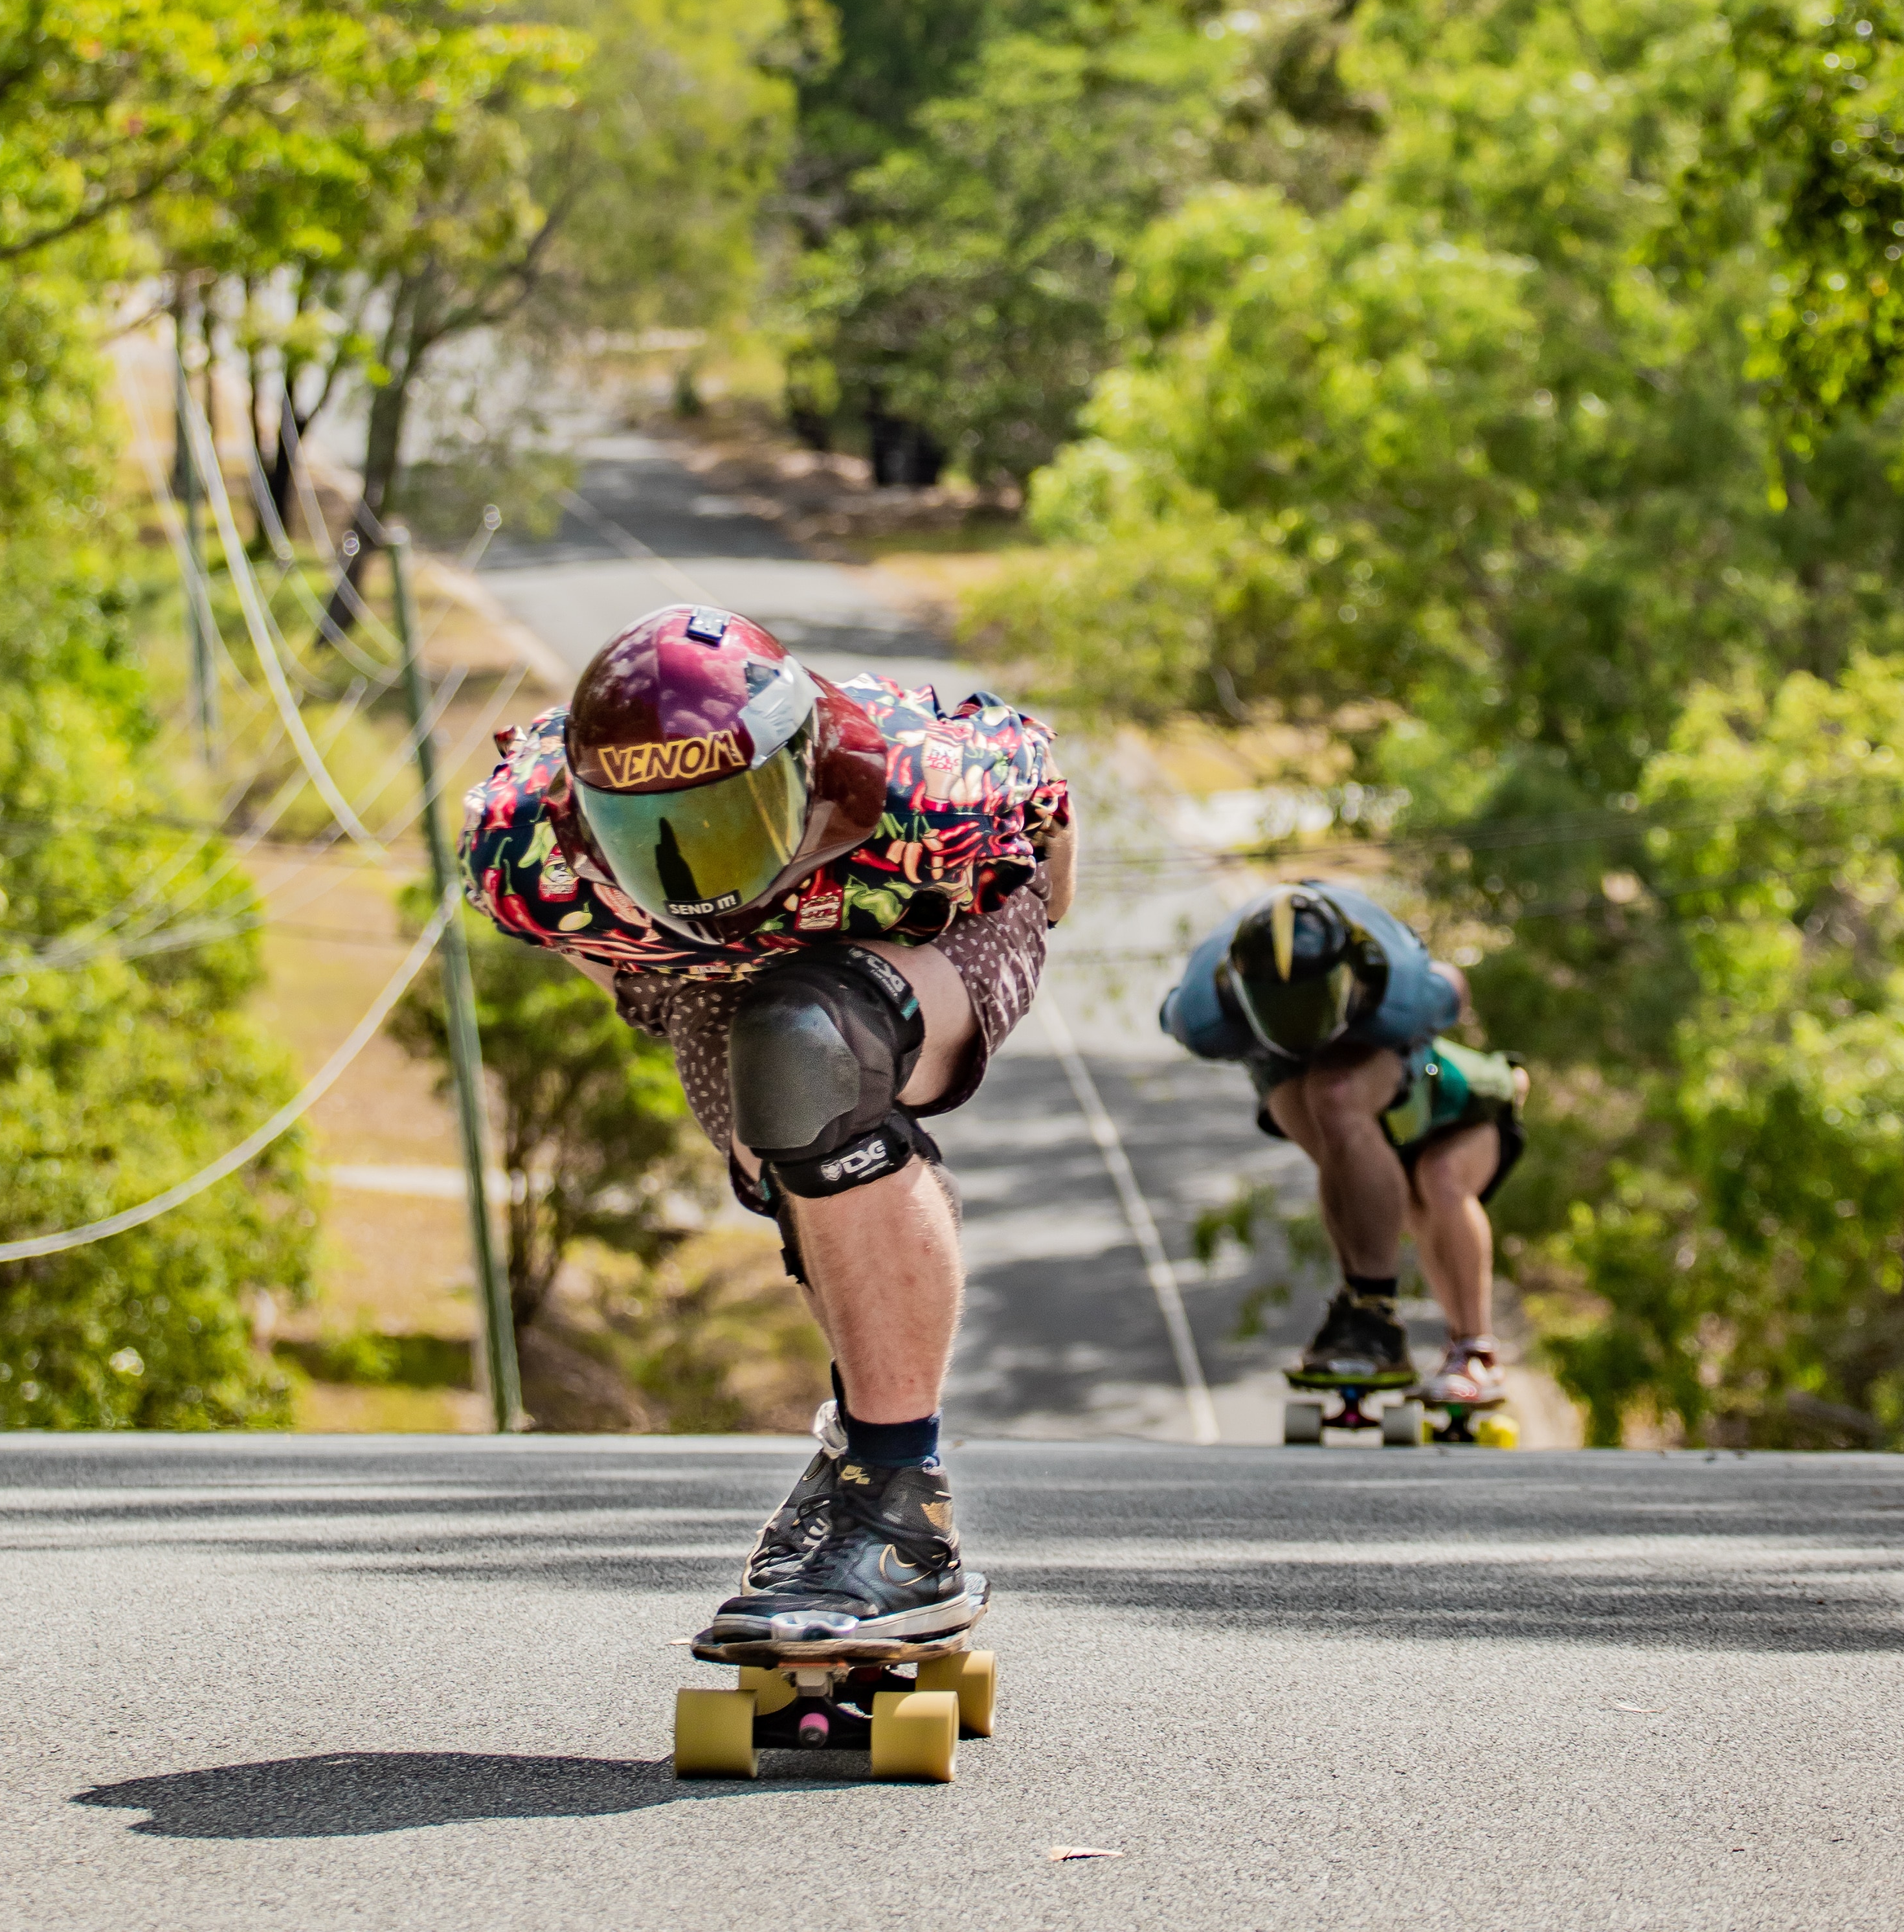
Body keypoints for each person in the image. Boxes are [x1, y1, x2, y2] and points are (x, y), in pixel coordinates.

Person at [462, 600, 1073, 1650]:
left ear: (806, 771)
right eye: (645, 839)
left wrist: (1010, 919)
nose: (697, 873)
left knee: (811, 1052)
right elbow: (617, 963)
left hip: (947, 928)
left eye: (722, 820)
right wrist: (682, 969)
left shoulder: (936, 787)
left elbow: (1052, 848)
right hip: (705, 982)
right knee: (790, 1145)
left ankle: (898, 1513)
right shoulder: (527, 850)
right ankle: (859, 1452)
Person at [1161, 881, 1528, 1407]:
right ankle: (1364, 1310)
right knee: (1319, 1115)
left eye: (1311, 1010)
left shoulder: (1399, 991)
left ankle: (1461, 1343)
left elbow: (1453, 987)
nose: (1308, 1036)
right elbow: (1175, 1014)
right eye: (1285, 1015)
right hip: (1272, 1056)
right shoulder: (1204, 1015)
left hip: (1381, 1044)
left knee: (1389, 1141)